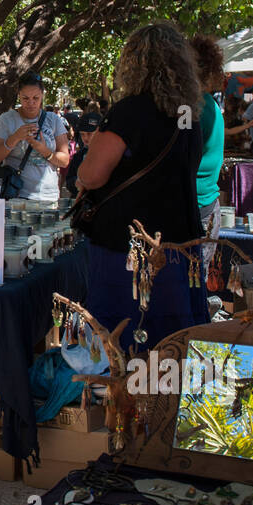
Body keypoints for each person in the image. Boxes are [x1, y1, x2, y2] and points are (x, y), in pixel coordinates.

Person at [75, 22, 207, 351]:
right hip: (179, 242)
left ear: (133, 64)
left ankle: (125, 400)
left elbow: (92, 175)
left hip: (129, 245)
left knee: (122, 340)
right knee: (172, 343)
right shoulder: (189, 116)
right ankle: (165, 401)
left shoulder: (129, 111)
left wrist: (79, 178)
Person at [0, 72, 70, 202]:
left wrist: (44, 150)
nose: (31, 103)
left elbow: (65, 161)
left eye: (35, 98)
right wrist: (15, 138)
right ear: (18, 95)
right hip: (16, 194)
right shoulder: (6, 119)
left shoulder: (53, 120)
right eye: (25, 98)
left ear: (42, 95)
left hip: (48, 196)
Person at [190, 35, 227, 271]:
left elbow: (181, 154)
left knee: (191, 284)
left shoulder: (191, 106)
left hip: (196, 206)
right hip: (204, 205)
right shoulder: (208, 104)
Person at [63, 111, 102, 197]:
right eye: (82, 134)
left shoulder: (111, 155)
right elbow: (69, 181)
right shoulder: (79, 156)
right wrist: (76, 183)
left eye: (89, 134)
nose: (85, 138)